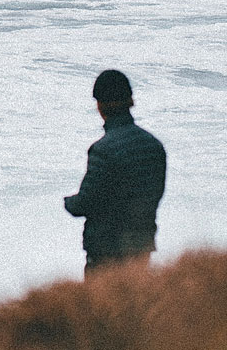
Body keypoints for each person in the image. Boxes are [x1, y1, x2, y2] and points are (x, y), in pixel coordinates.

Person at [62, 69, 167, 277]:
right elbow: (155, 193)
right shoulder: (154, 146)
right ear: (130, 101)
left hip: (107, 252)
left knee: (102, 309)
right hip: (141, 247)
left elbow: (86, 202)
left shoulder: (103, 150)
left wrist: (69, 202)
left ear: (100, 105)